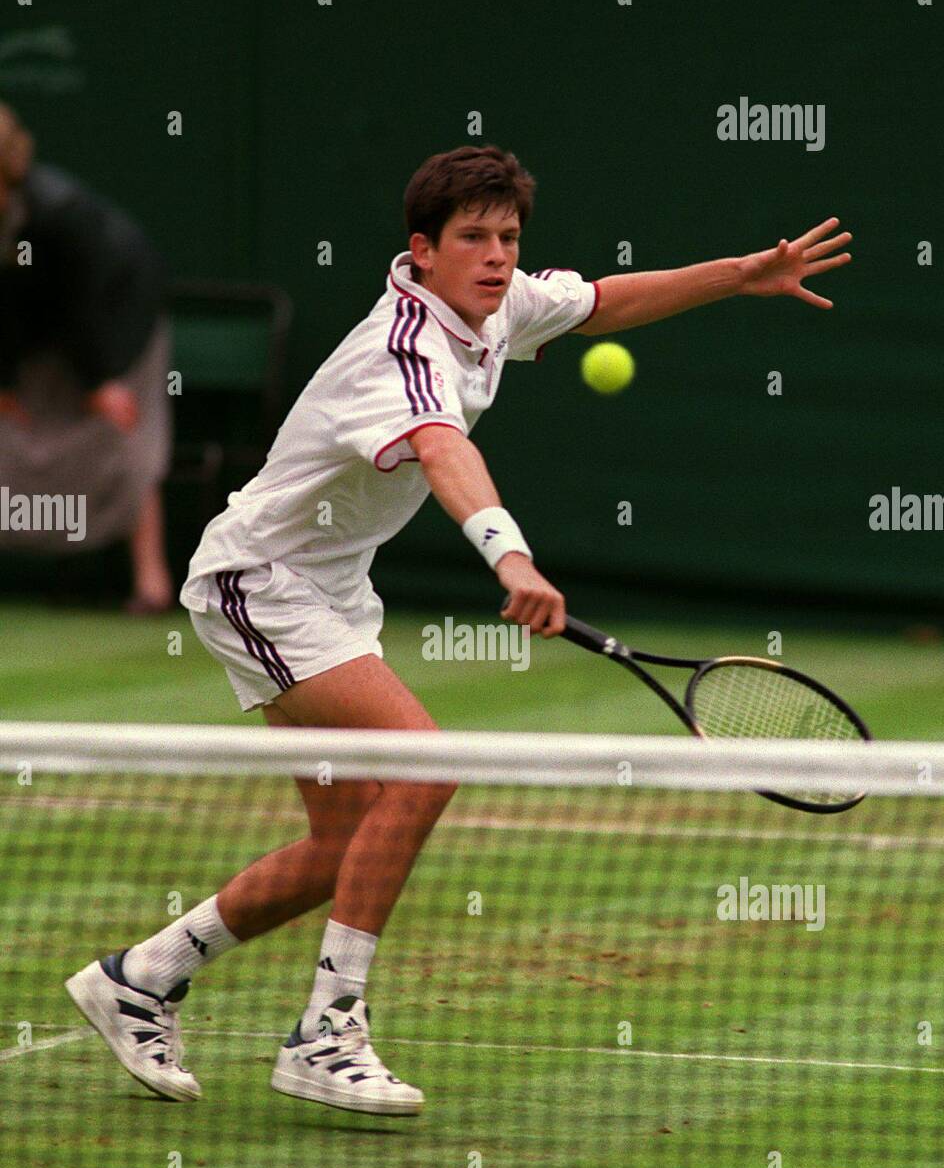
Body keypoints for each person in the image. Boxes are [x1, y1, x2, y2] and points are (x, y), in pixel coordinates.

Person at [65, 145, 851, 1113]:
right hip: (259, 583)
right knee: (427, 764)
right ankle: (326, 1029)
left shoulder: (496, 303)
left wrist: (742, 275)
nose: (495, 256)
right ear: (421, 251)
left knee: (336, 846)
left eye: (507, 237)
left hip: (327, 590)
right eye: (472, 238)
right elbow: (441, 450)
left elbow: (603, 301)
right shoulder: (399, 350)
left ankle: (136, 976)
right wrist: (509, 558)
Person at [0, 103, 174, 613]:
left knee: (127, 434)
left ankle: (152, 584)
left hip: (117, 323)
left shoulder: (59, 211)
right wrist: (5, 380)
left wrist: (102, 380)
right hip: (42, 334)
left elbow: (84, 300)